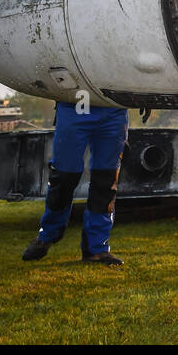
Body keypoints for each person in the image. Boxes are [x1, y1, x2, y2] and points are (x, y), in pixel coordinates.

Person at [22, 101, 129, 265]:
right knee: (64, 177)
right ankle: (47, 236)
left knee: (106, 182)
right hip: (75, 106)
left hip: (113, 110)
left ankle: (97, 249)